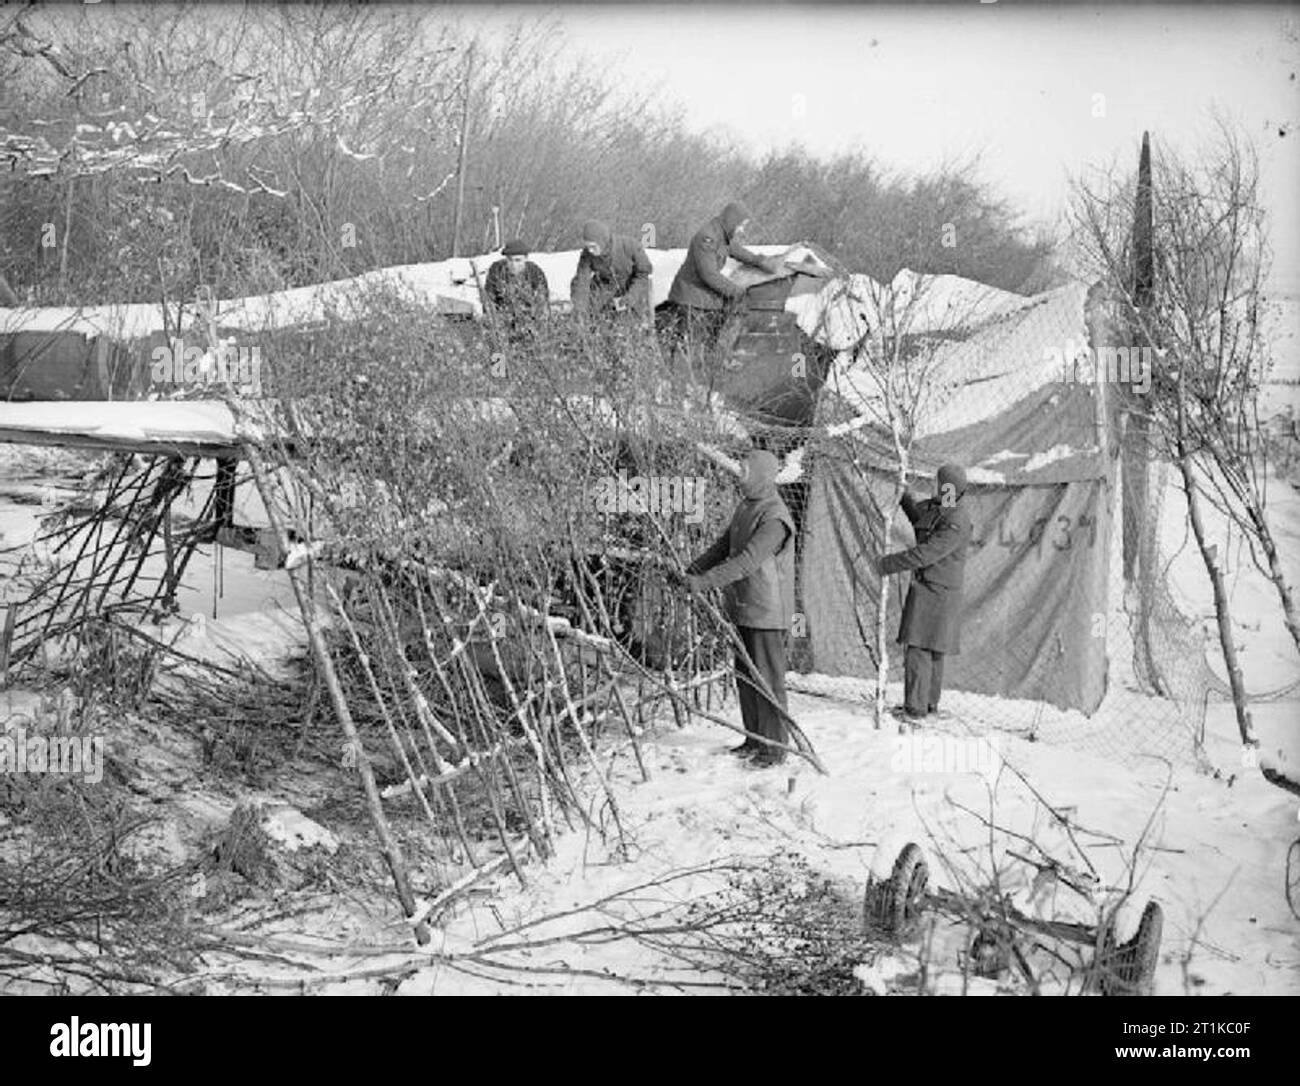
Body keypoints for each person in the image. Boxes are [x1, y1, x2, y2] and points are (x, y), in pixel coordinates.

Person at [684, 448, 796, 767]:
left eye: (746, 470)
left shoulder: (775, 516)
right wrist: (694, 569)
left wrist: (704, 583)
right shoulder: (748, 506)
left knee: (768, 681)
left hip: (767, 610)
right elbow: (724, 546)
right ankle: (755, 739)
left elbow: (746, 561)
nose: (740, 474)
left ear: (761, 474)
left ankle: (774, 749)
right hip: (745, 604)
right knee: (746, 676)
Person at [878, 463, 974, 723]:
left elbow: (926, 553)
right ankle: (926, 704)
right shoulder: (942, 506)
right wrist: (904, 496)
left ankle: (915, 708)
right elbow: (920, 518)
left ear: (947, 486)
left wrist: (886, 564)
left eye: (938, 482)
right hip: (931, 590)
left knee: (920, 649)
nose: (934, 486)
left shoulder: (957, 520)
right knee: (929, 649)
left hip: (938, 593)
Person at [660, 200, 783, 359]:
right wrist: (737, 292)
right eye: (741, 225)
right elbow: (709, 274)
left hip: (702, 299)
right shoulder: (707, 237)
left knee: (706, 343)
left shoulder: (722, 235)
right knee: (690, 350)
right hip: (691, 299)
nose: (742, 229)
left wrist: (761, 261)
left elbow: (737, 251)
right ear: (732, 221)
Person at [570, 219, 652, 325]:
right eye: (588, 247)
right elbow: (582, 279)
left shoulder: (630, 246)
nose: (590, 250)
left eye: (593, 247)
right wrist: (580, 309)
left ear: (602, 241)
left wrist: (631, 296)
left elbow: (643, 273)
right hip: (607, 285)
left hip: (633, 285)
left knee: (629, 321)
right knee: (595, 318)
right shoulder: (587, 254)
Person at [482, 239, 549, 335]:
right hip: (503, 316)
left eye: (518, 260)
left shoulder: (535, 273)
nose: (513, 265)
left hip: (529, 317)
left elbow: (542, 303)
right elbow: (489, 300)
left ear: (526, 259)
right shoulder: (496, 270)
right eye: (510, 260)